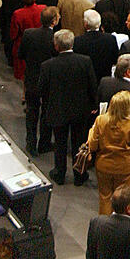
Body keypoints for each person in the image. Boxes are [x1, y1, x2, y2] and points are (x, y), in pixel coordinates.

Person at [39, 29, 98, 185]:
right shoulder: (85, 61)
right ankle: (79, 175)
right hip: (80, 110)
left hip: (58, 109)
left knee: (60, 143)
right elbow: (92, 85)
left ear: (56, 46)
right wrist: (93, 105)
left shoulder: (48, 65)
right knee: (79, 142)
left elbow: (42, 89)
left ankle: (59, 173)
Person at [87, 90, 130, 214]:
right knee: (122, 202)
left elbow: (92, 146)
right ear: (127, 107)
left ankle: (104, 226)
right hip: (124, 170)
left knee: (105, 198)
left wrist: (91, 131)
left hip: (103, 166)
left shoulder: (100, 120)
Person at [20, 5, 57, 155]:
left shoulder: (29, 34)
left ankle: (31, 143)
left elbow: (21, 54)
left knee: (31, 112)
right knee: (46, 113)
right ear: (54, 21)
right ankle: (44, 143)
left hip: (31, 79)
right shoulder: (55, 38)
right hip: (48, 82)